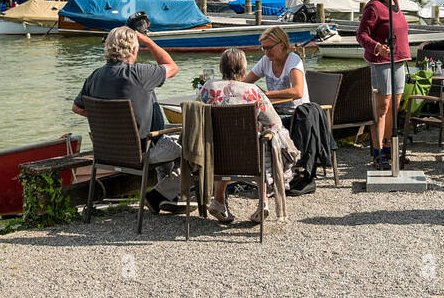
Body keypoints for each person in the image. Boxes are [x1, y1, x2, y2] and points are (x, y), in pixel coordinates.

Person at [72, 26, 184, 214]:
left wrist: (109, 118)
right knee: (197, 151)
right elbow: (172, 67)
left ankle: (168, 198)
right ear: (134, 49)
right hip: (142, 152)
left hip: (107, 152)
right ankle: (159, 195)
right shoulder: (139, 74)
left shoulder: (95, 76)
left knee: (162, 141)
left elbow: (77, 108)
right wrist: (148, 41)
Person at [197, 48, 298, 224]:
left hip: (216, 156)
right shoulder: (253, 91)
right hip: (250, 158)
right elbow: (275, 123)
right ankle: (263, 201)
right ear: (244, 70)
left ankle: (218, 200)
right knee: (267, 138)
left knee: (226, 137)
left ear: (221, 68)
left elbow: (197, 116)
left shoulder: (208, 88)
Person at [356, 0, 410, 170]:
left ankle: (388, 144)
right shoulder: (373, 7)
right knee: (382, 106)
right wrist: (377, 46)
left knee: (394, 107)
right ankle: (378, 150)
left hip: (399, 59)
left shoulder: (395, 3)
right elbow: (361, 35)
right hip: (381, 62)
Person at [244, 26, 307, 110]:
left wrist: (267, 94)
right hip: (275, 111)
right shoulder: (265, 60)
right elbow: (244, 83)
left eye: (269, 48)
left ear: (281, 45)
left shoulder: (293, 60)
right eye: (264, 48)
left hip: (296, 113)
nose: (266, 52)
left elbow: (298, 92)